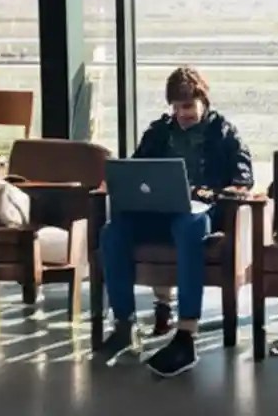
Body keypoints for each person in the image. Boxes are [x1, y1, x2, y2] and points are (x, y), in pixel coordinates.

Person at [98, 66, 253, 377]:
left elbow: (244, 179)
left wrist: (215, 192)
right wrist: (116, 182)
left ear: (203, 101)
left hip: (200, 212)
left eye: (188, 106)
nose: (182, 113)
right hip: (157, 210)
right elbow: (135, 168)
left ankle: (186, 333)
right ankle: (125, 324)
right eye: (176, 106)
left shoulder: (224, 133)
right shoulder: (159, 132)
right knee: (113, 231)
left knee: (190, 226)